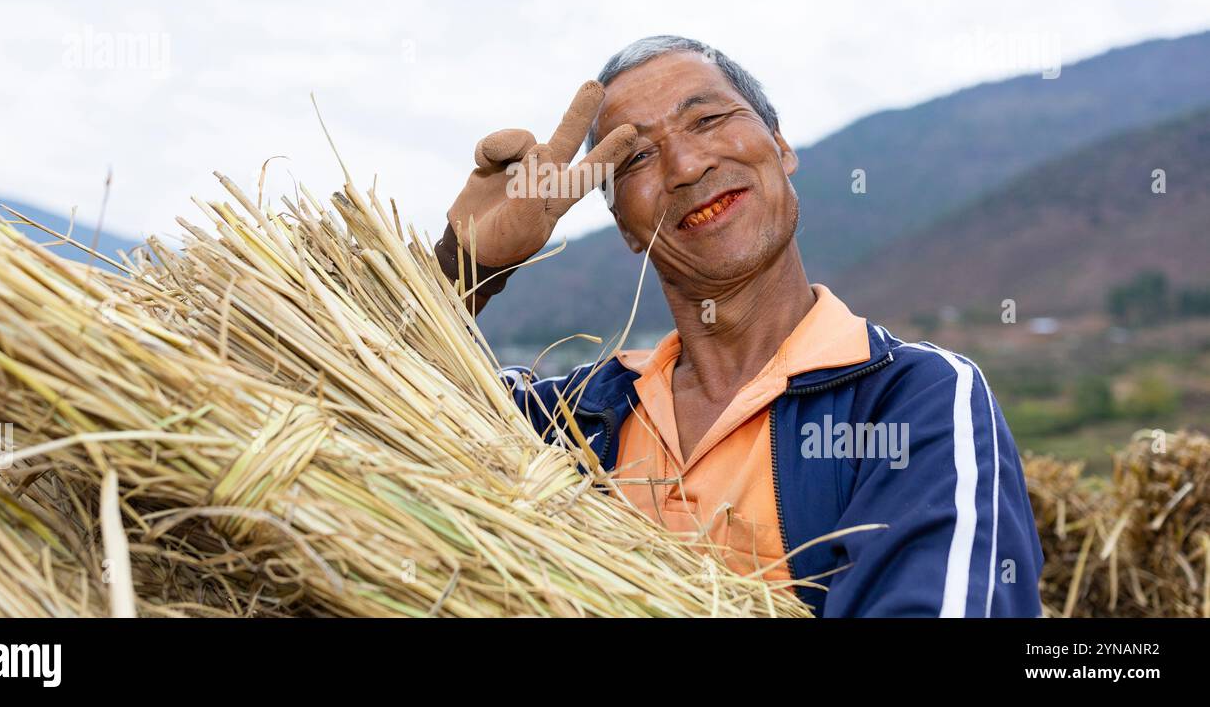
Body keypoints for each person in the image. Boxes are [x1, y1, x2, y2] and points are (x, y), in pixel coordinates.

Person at [432, 34, 1044, 617]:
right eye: (638, 155)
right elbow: (364, 403)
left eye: (707, 119)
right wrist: (471, 264)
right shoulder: (566, 418)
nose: (687, 165)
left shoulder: (912, 400)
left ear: (780, 146)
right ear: (622, 224)